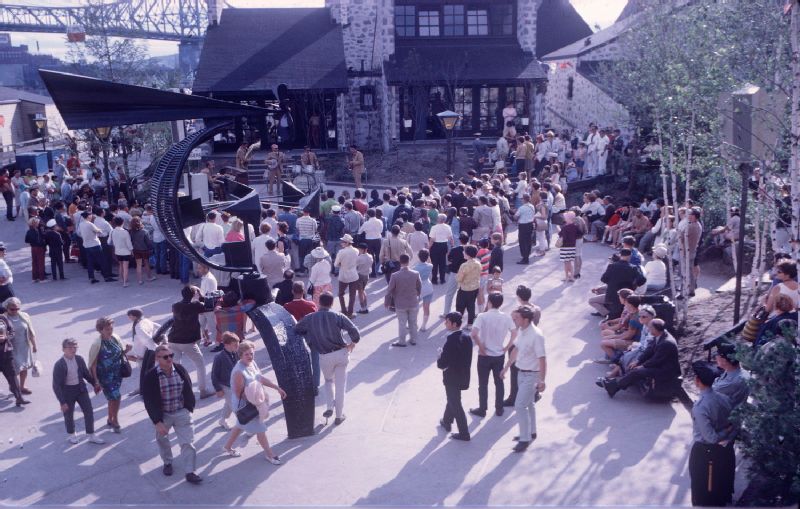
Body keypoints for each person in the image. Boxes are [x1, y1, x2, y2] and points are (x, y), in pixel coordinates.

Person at [294, 292, 360, 425]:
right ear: (331, 303)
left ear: (319, 302)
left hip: (324, 355)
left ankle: (330, 407)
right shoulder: (338, 316)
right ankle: (339, 416)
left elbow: (297, 329)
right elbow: (354, 332)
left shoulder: (310, 318)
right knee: (341, 385)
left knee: (329, 381)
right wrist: (353, 342)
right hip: (341, 353)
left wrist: (310, 340)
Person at [142, 344, 203, 484]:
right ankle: (167, 462)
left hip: (182, 412)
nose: (169, 358)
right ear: (157, 359)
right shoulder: (151, 376)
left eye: (171, 355)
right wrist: (157, 421)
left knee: (188, 443)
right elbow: (149, 400)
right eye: (165, 357)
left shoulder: (180, 370)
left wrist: (189, 407)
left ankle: (190, 472)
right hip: (163, 415)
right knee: (162, 440)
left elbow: (188, 388)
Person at [222, 340, 286, 464]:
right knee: (260, 429)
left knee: (240, 425)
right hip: (244, 406)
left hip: (254, 402)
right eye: (247, 354)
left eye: (252, 353)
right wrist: (258, 403)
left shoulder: (252, 363)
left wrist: (276, 388)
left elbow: (260, 378)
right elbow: (238, 392)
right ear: (240, 355)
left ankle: (227, 447)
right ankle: (270, 454)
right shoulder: (238, 371)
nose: (250, 356)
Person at [688, 361, 734, 507]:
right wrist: (727, 431)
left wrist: (725, 431)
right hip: (725, 451)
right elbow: (732, 421)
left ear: (697, 381)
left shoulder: (700, 408)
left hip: (706, 453)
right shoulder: (724, 398)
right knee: (721, 484)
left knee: (705, 491)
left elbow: (711, 437)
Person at [502, 306, 547, 452]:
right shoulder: (522, 330)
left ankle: (524, 438)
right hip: (521, 373)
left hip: (532, 375)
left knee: (520, 405)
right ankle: (531, 432)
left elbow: (542, 359)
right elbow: (516, 349)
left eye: (517, 318)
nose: (515, 320)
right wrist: (507, 367)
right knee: (529, 404)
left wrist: (542, 380)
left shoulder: (536, 335)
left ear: (526, 320)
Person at [598, 318, 680, 398]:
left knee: (637, 371)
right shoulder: (659, 335)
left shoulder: (666, 343)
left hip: (666, 370)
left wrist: (643, 365)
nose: (648, 329)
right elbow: (649, 351)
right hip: (659, 364)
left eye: (650, 328)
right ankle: (616, 383)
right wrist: (638, 361)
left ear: (655, 329)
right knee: (633, 364)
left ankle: (614, 386)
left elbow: (656, 360)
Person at [470, 293, 516, 418]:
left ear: (489, 302)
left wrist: (481, 347)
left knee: (483, 384)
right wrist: (506, 347)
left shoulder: (482, 316)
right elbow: (514, 333)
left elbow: (473, 334)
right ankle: (499, 408)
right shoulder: (506, 317)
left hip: (484, 356)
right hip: (499, 355)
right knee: (499, 382)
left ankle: (482, 409)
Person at [52, 338, 106, 445]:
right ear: (63, 349)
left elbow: (86, 374)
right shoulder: (59, 364)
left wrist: (94, 383)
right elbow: (56, 385)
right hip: (67, 391)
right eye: (70, 347)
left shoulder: (79, 359)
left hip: (81, 389)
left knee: (89, 411)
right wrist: (62, 402)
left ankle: (91, 435)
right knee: (68, 414)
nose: (73, 349)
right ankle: (72, 435)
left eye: (75, 347)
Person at [168, 286, 214, 398]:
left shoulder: (175, 306)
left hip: (173, 339)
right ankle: (203, 391)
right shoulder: (195, 305)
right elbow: (209, 307)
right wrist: (200, 297)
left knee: (175, 365)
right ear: (194, 294)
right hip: (187, 341)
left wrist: (196, 297)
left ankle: (176, 390)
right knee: (200, 364)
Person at [88, 317, 129, 433]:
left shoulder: (115, 338)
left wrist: (127, 350)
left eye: (111, 328)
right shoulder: (97, 344)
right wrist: (96, 381)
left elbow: (120, 354)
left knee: (112, 398)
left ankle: (109, 418)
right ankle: (115, 420)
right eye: (107, 329)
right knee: (116, 396)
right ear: (100, 330)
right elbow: (93, 364)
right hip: (105, 376)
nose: (110, 331)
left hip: (117, 374)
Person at [437, 311, 473, 441]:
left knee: (455, 402)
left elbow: (442, 364)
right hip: (463, 375)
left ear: (453, 324)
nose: (445, 323)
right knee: (453, 398)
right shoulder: (467, 337)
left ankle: (464, 433)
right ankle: (446, 421)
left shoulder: (450, 341)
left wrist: (440, 355)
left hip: (452, 377)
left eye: (447, 321)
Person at [283, 282, 320, 391]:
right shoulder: (311, 305)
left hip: (296, 337)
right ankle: (315, 386)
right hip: (312, 336)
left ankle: (301, 384)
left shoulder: (287, 306)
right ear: (303, 291)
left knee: (298, 362)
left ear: (292, 292)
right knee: (315, 362)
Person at [385, 254, 422, 347]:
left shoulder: (394, 275)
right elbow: (419, 286)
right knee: (413, 322)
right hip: (413, 302)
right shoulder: (416, 273)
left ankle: (402, 342)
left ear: (400, 262)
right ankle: (413, 340)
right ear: (409, 261)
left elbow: (389, 290)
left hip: (400, 304)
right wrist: (417, 294)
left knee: (402, 323)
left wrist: (387, 302)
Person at [3, 297, 37, 396]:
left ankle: (22, 386)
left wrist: (34, 345)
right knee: (15, 369)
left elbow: (30, 331)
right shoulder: (3, 318)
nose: (15, 311)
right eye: (12, 309)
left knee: (24, 368)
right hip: (10, 348)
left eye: (17, 308)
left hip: (24, 346)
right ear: (7, 308)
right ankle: (14, 385)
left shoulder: (24, 316)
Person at [211, 332, 240, 430]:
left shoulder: (236, 353)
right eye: (235, 344)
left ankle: (223, 420)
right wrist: (218, 389)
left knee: (228, 403)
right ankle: (247, 425)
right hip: (225, 385)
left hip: (235, 384)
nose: (238, 346)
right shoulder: (219, 357)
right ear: (227, 345)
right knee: (236, 406)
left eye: (238, 343)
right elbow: (214, 374)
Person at [0, 313, 26, 406]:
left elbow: (12, 332)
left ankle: (19, 398)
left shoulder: (3, 318)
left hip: (6, 353)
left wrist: (6, 337)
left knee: (12, 376)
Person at [334, 234, 360, 318]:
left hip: (343, 275)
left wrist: (341, 264)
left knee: (341, 294)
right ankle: (350, 313)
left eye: (343, 241)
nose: (341, 243)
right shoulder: (356, 251)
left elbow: (335, 264)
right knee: (352, 295)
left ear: (347, 243)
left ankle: (344, 311)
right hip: (353, 275)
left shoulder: (341, 252)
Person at [456, 245, 481, 328]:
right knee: (471, 305)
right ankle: (470, 323)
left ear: (468, 254)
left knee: (460, 307)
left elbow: (459, 279)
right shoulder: (478, 263)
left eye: (464, 252)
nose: (463, 253)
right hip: (475, 288)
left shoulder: (464, 265)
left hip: (465, 289)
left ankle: (457, 323)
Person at [109, 216, 133, 287]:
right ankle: (125, 282)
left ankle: (121, 279)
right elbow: (129, 243)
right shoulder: (125, 232)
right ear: (122, 222)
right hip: (125, 252)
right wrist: (131, 250)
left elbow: (108, 242)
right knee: (125, 267)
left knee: (121, 265)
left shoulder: (112, 231)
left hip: (117, 251)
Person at [414, 249, 434, 331]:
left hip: (418, 289)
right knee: (426, 308)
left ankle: (413, 323)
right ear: (427, 257)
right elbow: (430, 262)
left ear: (418, 257)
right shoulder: (430, 266)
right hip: (428, 287)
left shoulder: (415, 268)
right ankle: (423, 326)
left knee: (415, 308)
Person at [558, 211, 580, 282]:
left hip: (565, 247)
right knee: (570, 262)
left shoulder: (565, 227)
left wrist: (559, 229)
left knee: (566, 263)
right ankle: (572, 277)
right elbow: (580, 234)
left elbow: (562, 236)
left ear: (568, 218)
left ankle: (567, 277)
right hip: (572, 247)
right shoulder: (575, 226)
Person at [355, 244, 373, 314]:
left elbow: (355, 266)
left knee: (360, 293)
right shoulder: (370, 256)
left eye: (359, 249)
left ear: (362, 249)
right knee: (363, 291)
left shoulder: (359, 258)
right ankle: (365, 307)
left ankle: (363, 308)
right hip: (366, 275)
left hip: (360, 276)